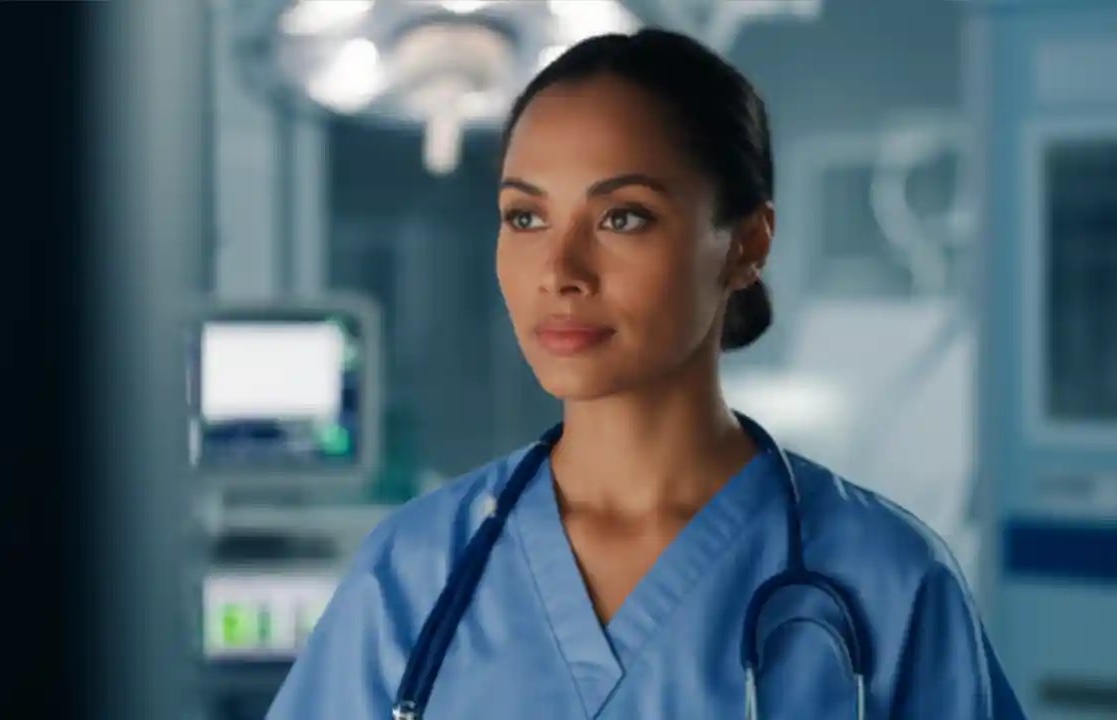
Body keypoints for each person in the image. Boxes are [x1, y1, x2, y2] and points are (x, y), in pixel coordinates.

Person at [266, 29, 1025, 719]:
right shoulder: (415, 573)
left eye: (622, 217)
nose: (559, 271)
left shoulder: (887, 584)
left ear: (747, 244)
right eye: (525, 218)